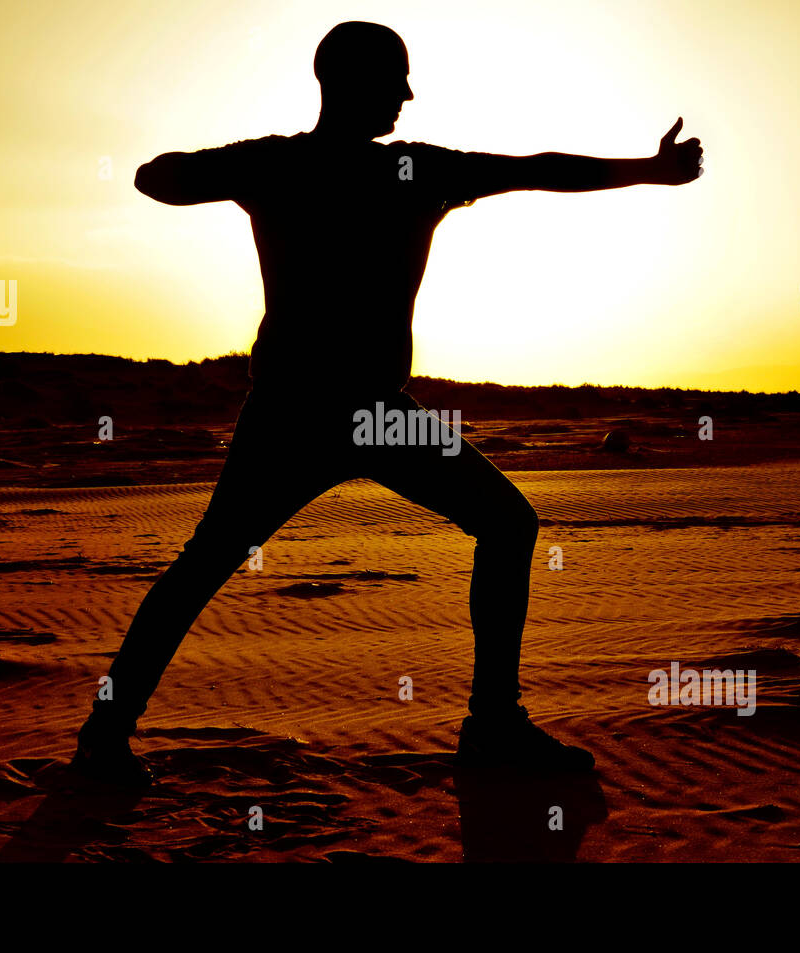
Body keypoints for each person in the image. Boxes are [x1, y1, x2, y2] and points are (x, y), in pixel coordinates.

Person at [75, 20, 703, 786]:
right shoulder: (401, 171)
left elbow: (156, 177)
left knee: (499, 523)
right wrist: (650, 169)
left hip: (344, 410)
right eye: (395, 79)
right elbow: (539, 168)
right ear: (349, 81)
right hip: (310, 412)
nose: (407, 94)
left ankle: (493, 725)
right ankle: (108, 731)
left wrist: (227, 167)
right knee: (209, 563)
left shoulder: (292, 166)